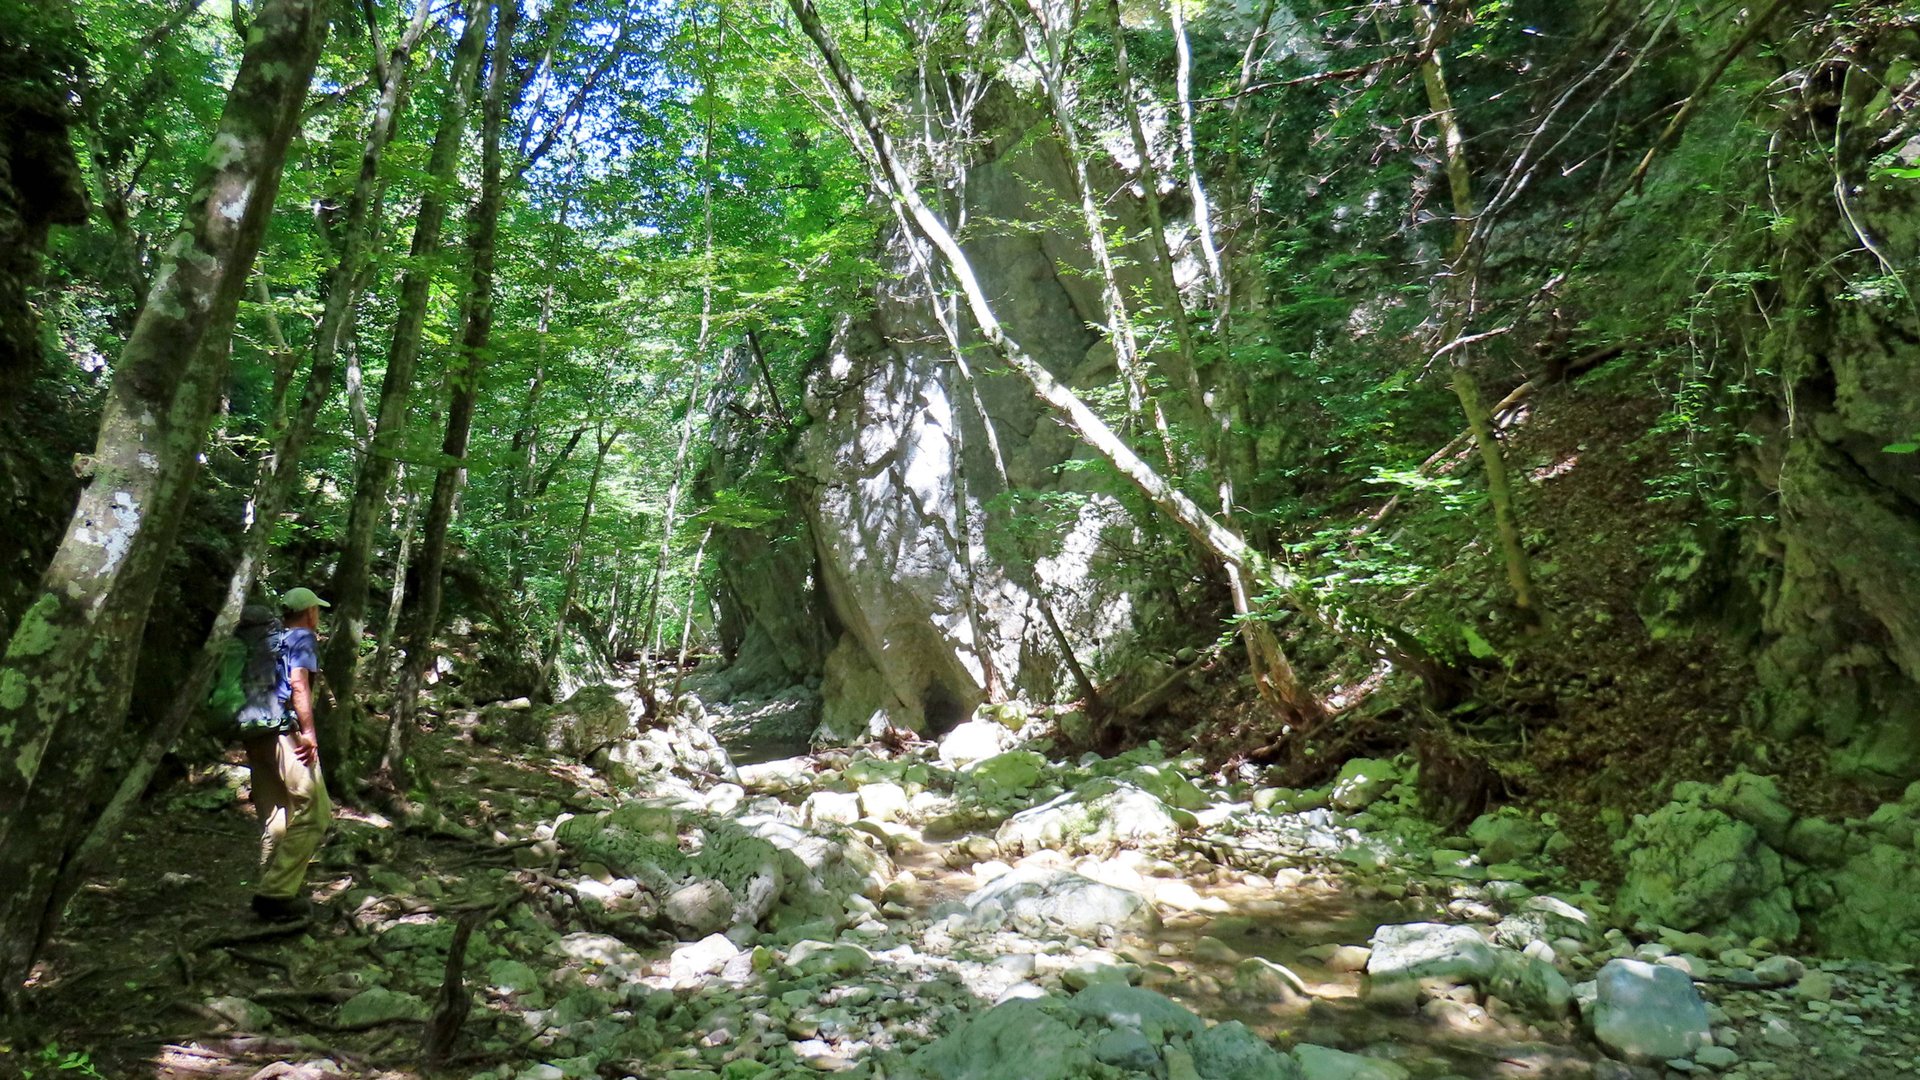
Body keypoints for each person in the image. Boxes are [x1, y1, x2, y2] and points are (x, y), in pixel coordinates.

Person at [243, 586, 334, 921]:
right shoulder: (302, 639)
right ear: (310, 612)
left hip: (255, 732)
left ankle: (267, 889)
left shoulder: (267, 640)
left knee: (276, 813)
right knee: (316, 810)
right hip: (284, 733)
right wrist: (308, 733)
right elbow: (298, 684)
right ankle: (276, 894)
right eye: (317, 611)